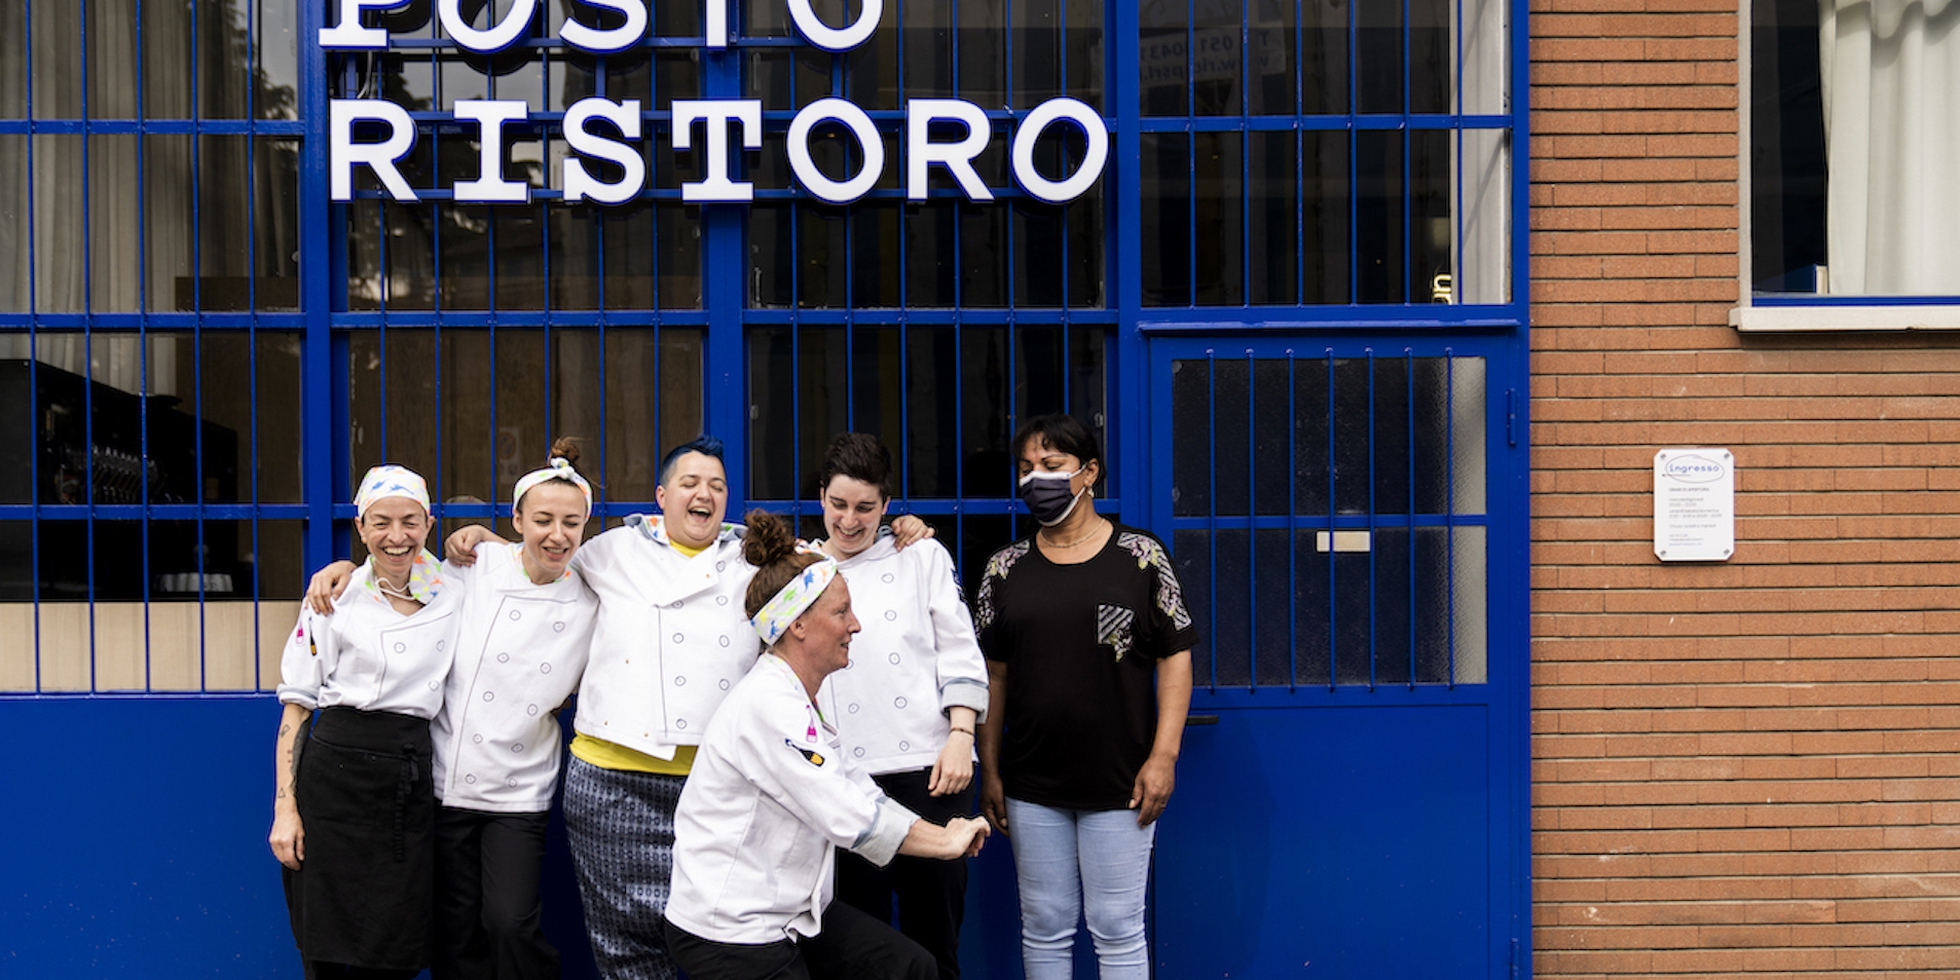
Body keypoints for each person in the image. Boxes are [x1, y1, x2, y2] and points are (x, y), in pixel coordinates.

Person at [435, 435, 937, 980]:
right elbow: (536, 559)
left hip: (719, 792)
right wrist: (486, 543)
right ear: (661, 495)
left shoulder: (757, 557)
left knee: (719, 943)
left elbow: (838, 562)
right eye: (690, 484)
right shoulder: (607, 551)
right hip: (612, 784)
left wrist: (895, 530)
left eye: (717, 486)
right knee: (628, 952)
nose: (704, 495)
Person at [303, 441, 603, 980]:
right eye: (542, 519)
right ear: (516, 520)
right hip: (443, 780)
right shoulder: (473, 567)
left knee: (509, 920)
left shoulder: (591, 597)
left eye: (570, 523)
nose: (556, 534)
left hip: (520, 787)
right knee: (454, 928)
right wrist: (344, 567)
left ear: (585, 527)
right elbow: (398, 569)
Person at [663, 510, 991, 980]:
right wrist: (943, 842)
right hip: (732, 932)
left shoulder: (801, 696)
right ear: (797, 624)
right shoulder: (769, 706)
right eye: (840, 612)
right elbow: (847, 815)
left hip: (793, 916)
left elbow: (856, 785)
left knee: (912, 967)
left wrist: (939, 831)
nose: (855, 625)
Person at [973, 414, 1196, 980]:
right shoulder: (1004, 570)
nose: (1035, 480)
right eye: (1026, 469)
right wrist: (991, 770)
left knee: (1118, 926)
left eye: (1051, 467)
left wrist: (1163, 756)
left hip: (1121, 781)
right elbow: (991, 678)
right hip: (1031, 785)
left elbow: (1175, 657)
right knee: (1045, 924)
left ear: (1089, 472)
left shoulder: (1141, 559)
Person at [271, 464, 460, 979]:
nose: (396, 537)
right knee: (325, 948)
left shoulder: (456, 593)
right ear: (360, 527)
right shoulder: (332, 597)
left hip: (407, 781)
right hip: (331, 783)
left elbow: (514, 564)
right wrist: (285, 809)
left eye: (409, 521)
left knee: (394, 947)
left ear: (429, 522)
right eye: (381, 523)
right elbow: (297, 706)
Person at [811, 433, 988, 980]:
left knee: (935, 941)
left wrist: (961, 736)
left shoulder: (922, 556)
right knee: (856, 948)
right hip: (844, 780)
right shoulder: (803, 568)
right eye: (838, 505)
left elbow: (960, 648)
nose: (849, 520)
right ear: (821, 497)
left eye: (865, 508)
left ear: (887, 505)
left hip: (933, 773)